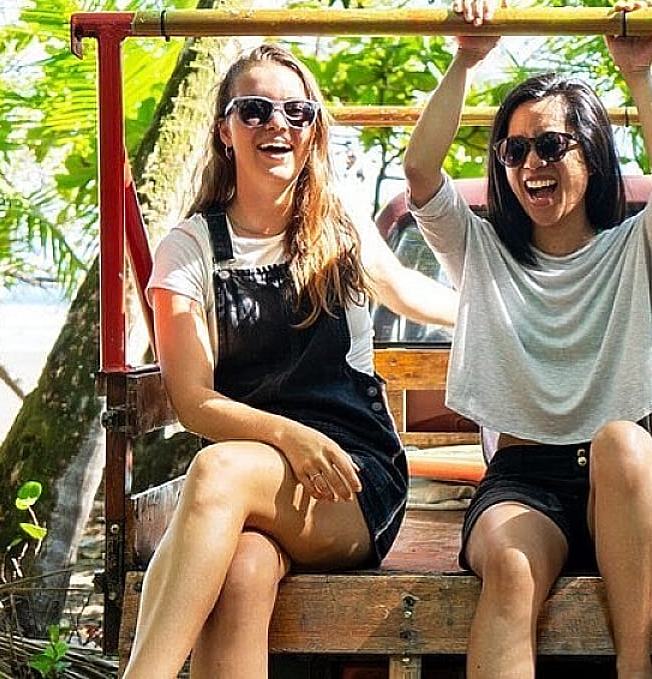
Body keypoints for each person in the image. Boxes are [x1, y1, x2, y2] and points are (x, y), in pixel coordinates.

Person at [124, 44, 457, 679]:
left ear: (313, 131)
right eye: (254, 110)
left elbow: (411, 292)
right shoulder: (188, 249)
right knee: (244, 572)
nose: (277, 124)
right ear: (226, 130)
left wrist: (504, 314)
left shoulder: (340, 224)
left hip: (353, 477)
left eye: (296, 112)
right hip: (261, 474)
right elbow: (193, 400)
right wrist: (285, 435)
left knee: (218, 470)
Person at [403, 0, 652, 679]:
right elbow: (421, 175)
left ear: (591, 154)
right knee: (509, 567)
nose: (532, 162)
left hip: (622, 487)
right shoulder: (478, 251)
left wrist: (640, 76)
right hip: (523, 480)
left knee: (623, 438)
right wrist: (465, 59)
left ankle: (634, 667)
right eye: (514, 149)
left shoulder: (634, 249)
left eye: (552, 144)